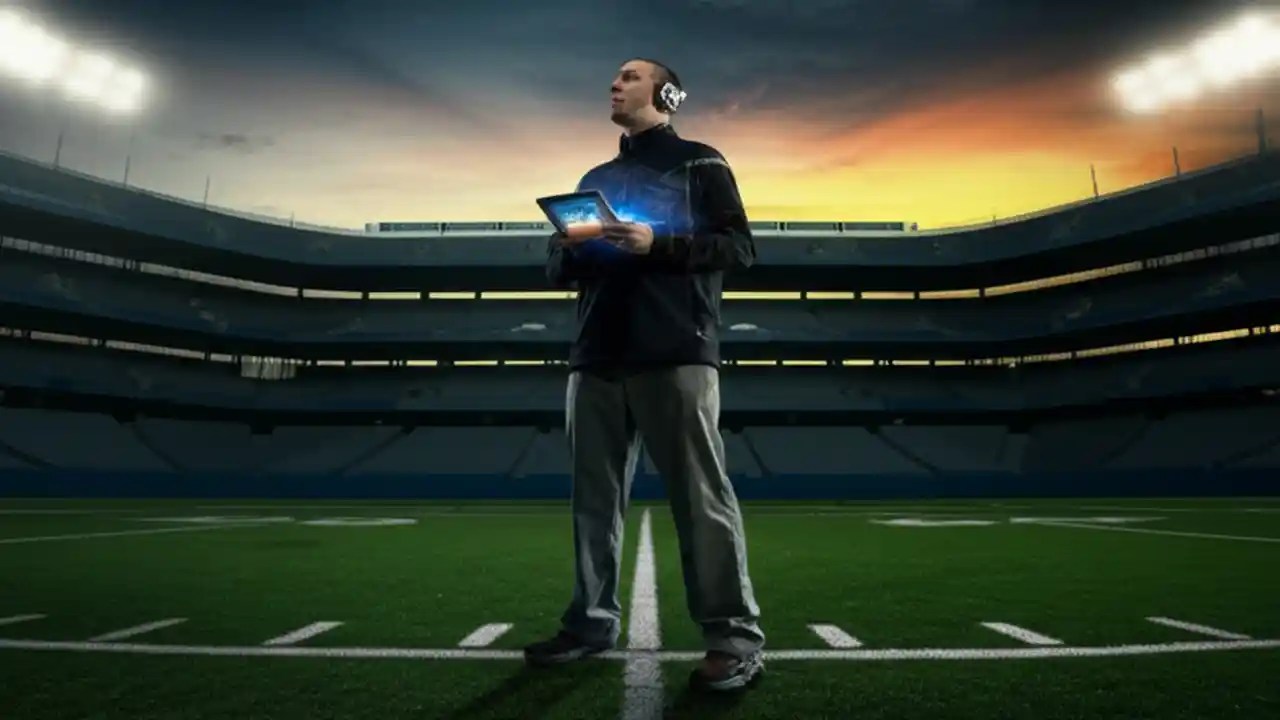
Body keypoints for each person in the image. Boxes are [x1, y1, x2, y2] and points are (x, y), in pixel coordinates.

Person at [522, 57, 765, 693]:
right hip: (596, 354)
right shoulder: (593, 177)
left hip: (675, 350)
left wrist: (654, 244)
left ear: (666, 94)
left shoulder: (702, 161)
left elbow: (739, 247)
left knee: (700, 498)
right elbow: (554, 269)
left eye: (630, 76)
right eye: (613, 76)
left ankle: (734, 639)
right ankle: (591, 624)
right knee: (593, 506)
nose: (615, 82)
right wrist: (574, 251)